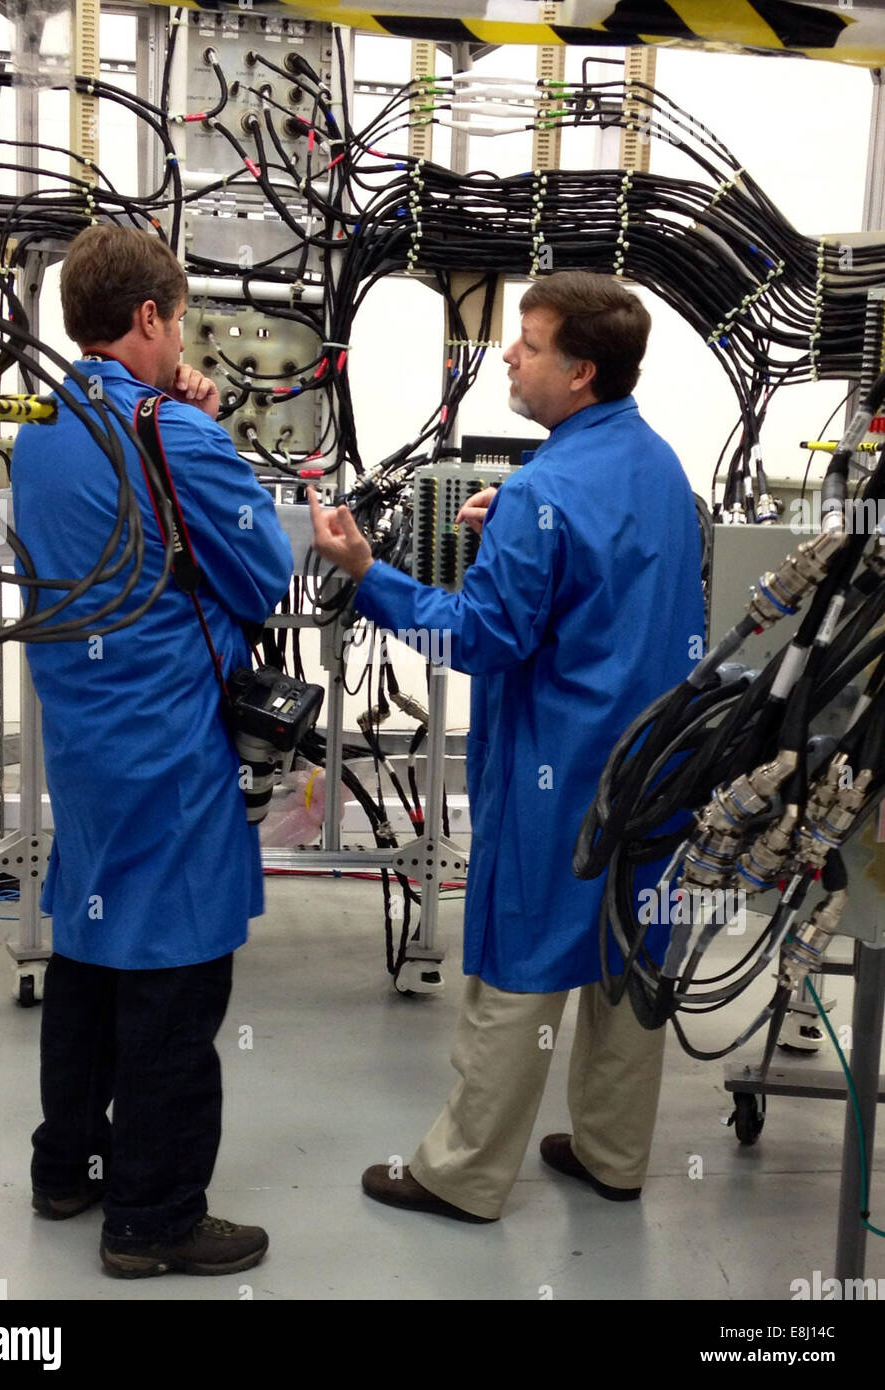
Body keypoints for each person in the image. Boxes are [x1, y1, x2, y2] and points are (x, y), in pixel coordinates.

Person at [308, 270, 705, 1222]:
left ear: (580, 372)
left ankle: (463, 1175)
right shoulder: (657, 467)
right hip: (661, 769)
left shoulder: (543, 492)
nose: (509, 361)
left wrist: (369, 574)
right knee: (626, 953)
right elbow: (602, 585)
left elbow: (478, 640)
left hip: (557, 774)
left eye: (526, 346)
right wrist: (509, 528)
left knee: (519, 960)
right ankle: (612, 1154)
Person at [11, 225, 293, 1275]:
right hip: (171, 748)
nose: (183, 341)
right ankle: (154, 1214)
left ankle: (64, 1168)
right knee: (175, 972)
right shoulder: (176, 432)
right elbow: (263, 574)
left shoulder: (39, 420)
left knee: (88, 946)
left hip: (84, 740)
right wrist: (195, 428)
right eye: (178, 322)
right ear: (148, 319)